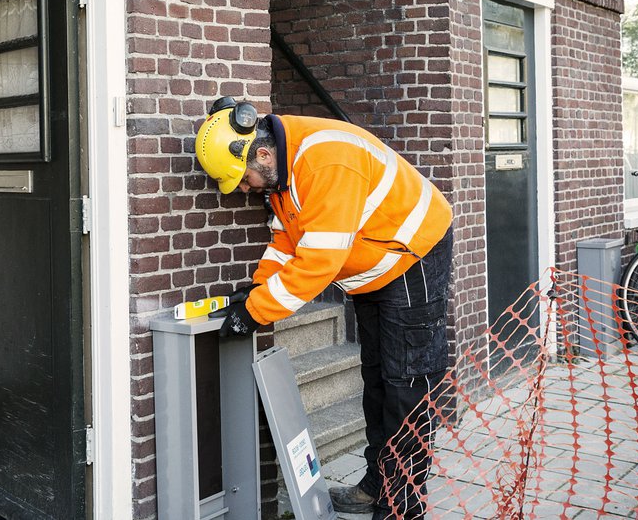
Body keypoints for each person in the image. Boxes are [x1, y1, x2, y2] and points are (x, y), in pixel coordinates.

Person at [194, 97, 454, 520]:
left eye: (243, 180)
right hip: (375, 266)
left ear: (261, 153)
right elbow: (285, 241)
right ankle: (378, 482)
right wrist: (257, 291)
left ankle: (403, 505)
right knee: (377, 378)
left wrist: (257, 312)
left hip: (412, 255)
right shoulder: (284, 169)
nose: (244, 190)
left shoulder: (324, 162)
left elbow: (317, 262)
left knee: (406, 383)